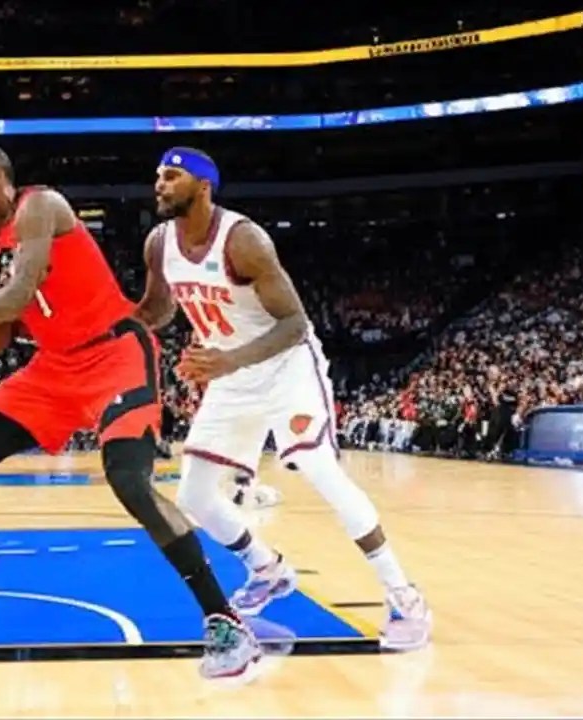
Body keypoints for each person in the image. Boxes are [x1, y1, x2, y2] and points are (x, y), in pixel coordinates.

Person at [0, 143, 262, 681]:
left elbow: (20, 291)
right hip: (54, 367)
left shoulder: (40, 206)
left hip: (115, 351)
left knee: (129, 481)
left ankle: (224, 620)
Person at [141, 146, 432, 651]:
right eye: (158, 176)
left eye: (171, 176)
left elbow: (295, 323)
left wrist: (229, 359)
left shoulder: (243, 240)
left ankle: (404, 597)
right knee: (193, 496)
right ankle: (268, 569)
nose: (159, 184)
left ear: (204, 186)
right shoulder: (158, 243)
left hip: (285, 367)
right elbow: (156, 309)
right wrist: (101, 325)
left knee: (320, 470)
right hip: (231, 376)